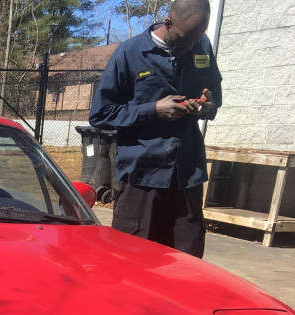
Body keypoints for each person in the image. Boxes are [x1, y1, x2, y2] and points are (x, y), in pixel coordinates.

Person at [89, 0, 222, 257]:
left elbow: (214, 92)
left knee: (187, 263)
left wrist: (208, 105)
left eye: (197, 39)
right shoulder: (131, 53)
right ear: (168, 22)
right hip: (142, 177)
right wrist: (153, 110)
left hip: (187, 175)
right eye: (185, 39)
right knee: (132, 260)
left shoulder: (201, 46)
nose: (191, 47)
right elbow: (100, 114)